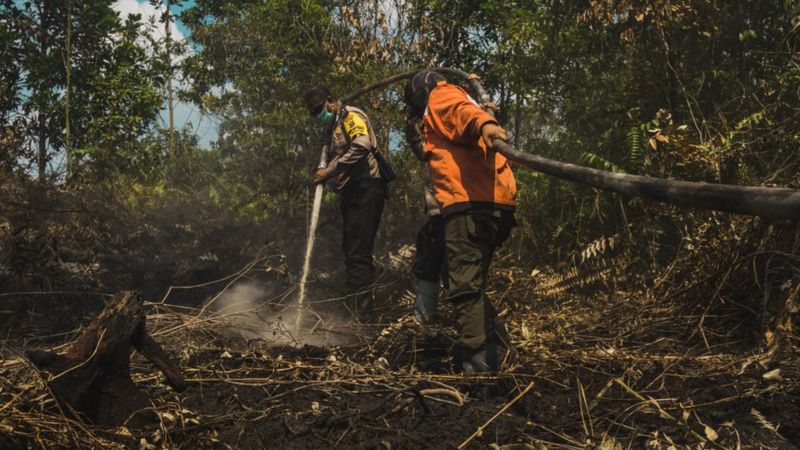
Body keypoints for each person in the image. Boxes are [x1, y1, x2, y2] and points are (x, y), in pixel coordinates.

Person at [403, 70, 517, 373]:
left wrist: (487, 124)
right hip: (492, 202)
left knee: (464, 287)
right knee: (470, 283)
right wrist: (487, 116)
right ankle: (501, 351)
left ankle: (481, 370)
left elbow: (462, 112)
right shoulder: (461, 99)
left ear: (419, 90)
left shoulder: (441, 95)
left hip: (470, 204)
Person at [304, 85, 386, 319]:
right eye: (313, 112)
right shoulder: (333, 128)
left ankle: (365, 320)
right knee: (351, 252)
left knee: (358, 253)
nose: (317, 114)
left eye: (319, 109)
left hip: (366, 189)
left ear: (330, 101)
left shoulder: (351, 116)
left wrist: (328, 171)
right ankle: (356, 312)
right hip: (352, 193)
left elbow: (362, 145)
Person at [404, 119, 444, 324]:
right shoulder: (432, 141)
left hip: (454, 210)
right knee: (429, 257)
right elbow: (422, 151)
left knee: (459, 273)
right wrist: (409, 126)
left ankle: (423, 320)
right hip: (440, 212)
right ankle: (423, 319)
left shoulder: (448, 134)